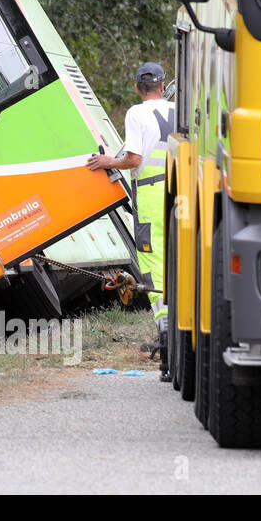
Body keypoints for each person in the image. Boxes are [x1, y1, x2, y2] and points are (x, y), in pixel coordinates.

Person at [86, 62, 174, 380]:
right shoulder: (178, 110)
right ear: (163, 86)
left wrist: (107, 161)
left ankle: (169, 342)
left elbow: (134, 159)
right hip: (183, 193)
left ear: (138, 88)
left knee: (154, 268)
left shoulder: (136, 114)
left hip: (152, 199)